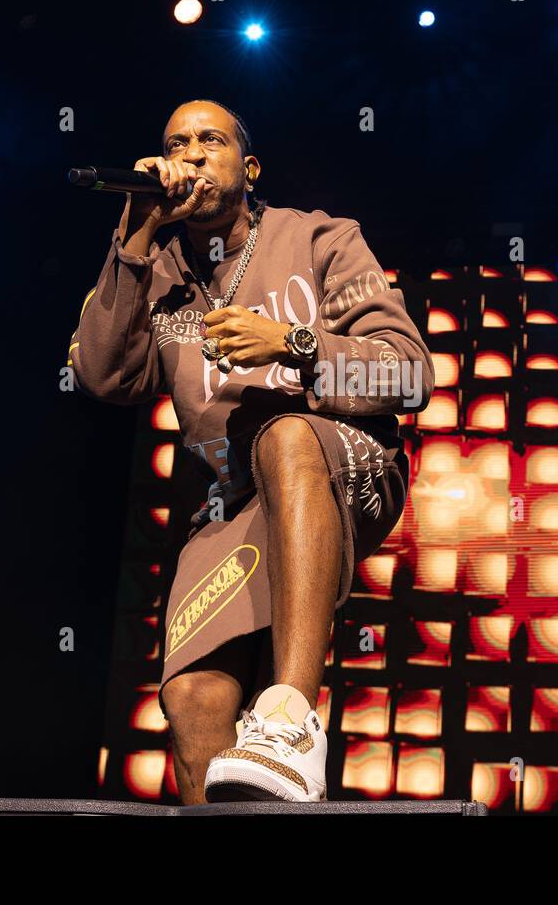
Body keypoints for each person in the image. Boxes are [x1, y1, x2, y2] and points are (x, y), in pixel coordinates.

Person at [67, 99, 434, 803]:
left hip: (344, 464)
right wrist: (136, 235)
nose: (194, 153)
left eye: (212, 139)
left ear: (250, 166)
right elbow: (102, 374)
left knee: (286, 434)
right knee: (194, 697)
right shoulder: (159, 270)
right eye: (178, 142)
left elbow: (408, 376)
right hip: (226, 504)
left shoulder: (321, 238)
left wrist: (293, 346)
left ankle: (291, 720)